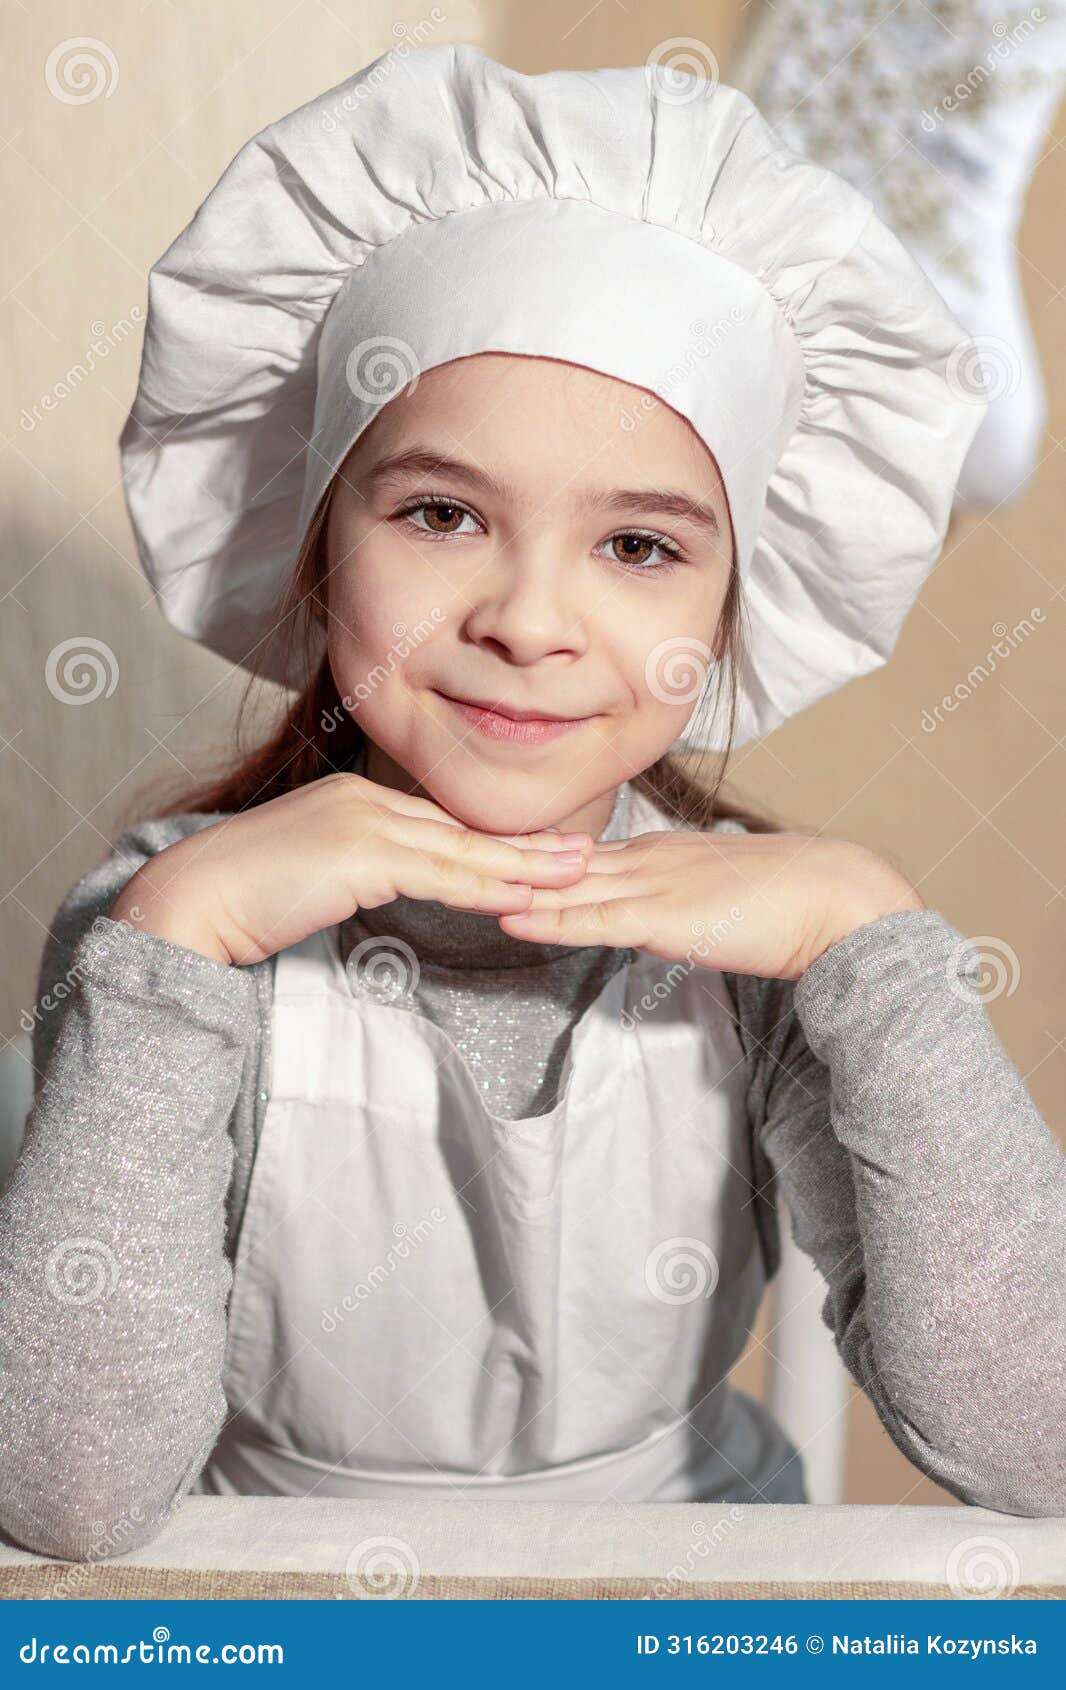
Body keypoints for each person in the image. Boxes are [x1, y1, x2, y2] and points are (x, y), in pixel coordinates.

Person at [1, 44, 1064, 1565]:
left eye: (639, 547)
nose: (530, 621)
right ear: (319, 551)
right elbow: (63, 1494)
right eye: (442, 514)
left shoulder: (778, 953)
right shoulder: (170, 927)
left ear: (731, 604)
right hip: (283, 1619)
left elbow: (1039, 1444)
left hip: (687, 1613)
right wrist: (173, 941)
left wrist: (872, 937)